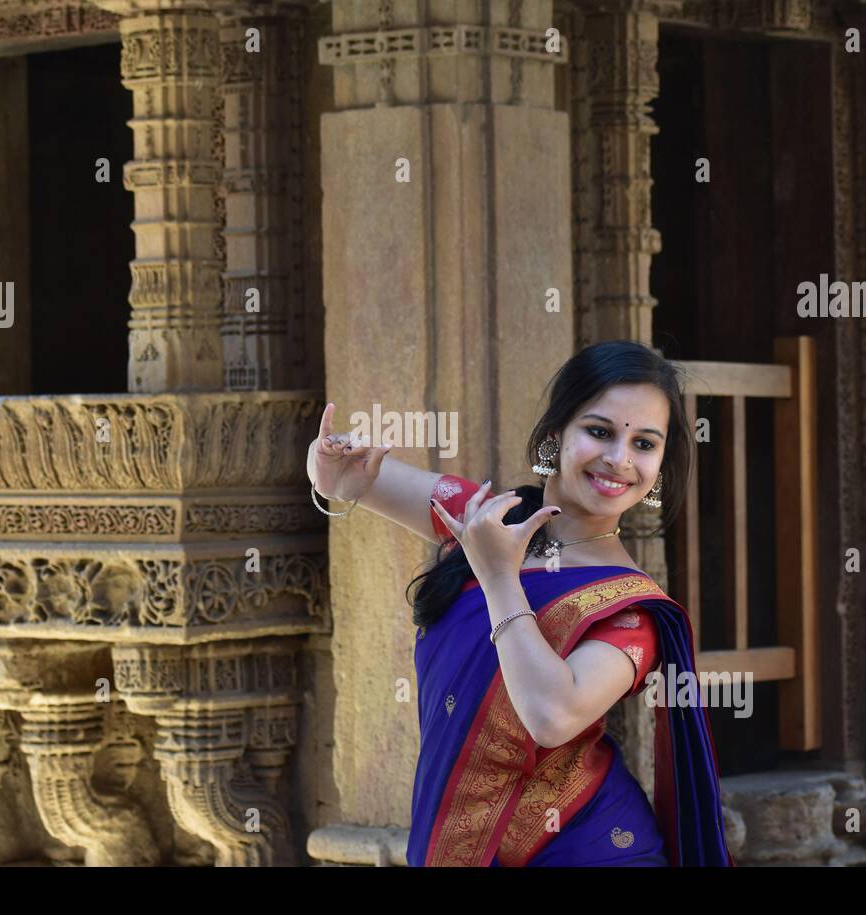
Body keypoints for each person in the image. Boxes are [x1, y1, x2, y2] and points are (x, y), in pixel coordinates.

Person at [305, 340, 733, 867]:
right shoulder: (487, 519)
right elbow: (357, 479)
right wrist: (329, 477)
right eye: (598, 432)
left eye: (644, 443)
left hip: (586, 850)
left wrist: (499, 577)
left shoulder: (633, 608)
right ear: (555, 436)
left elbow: (551, 717)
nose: (619, 459)